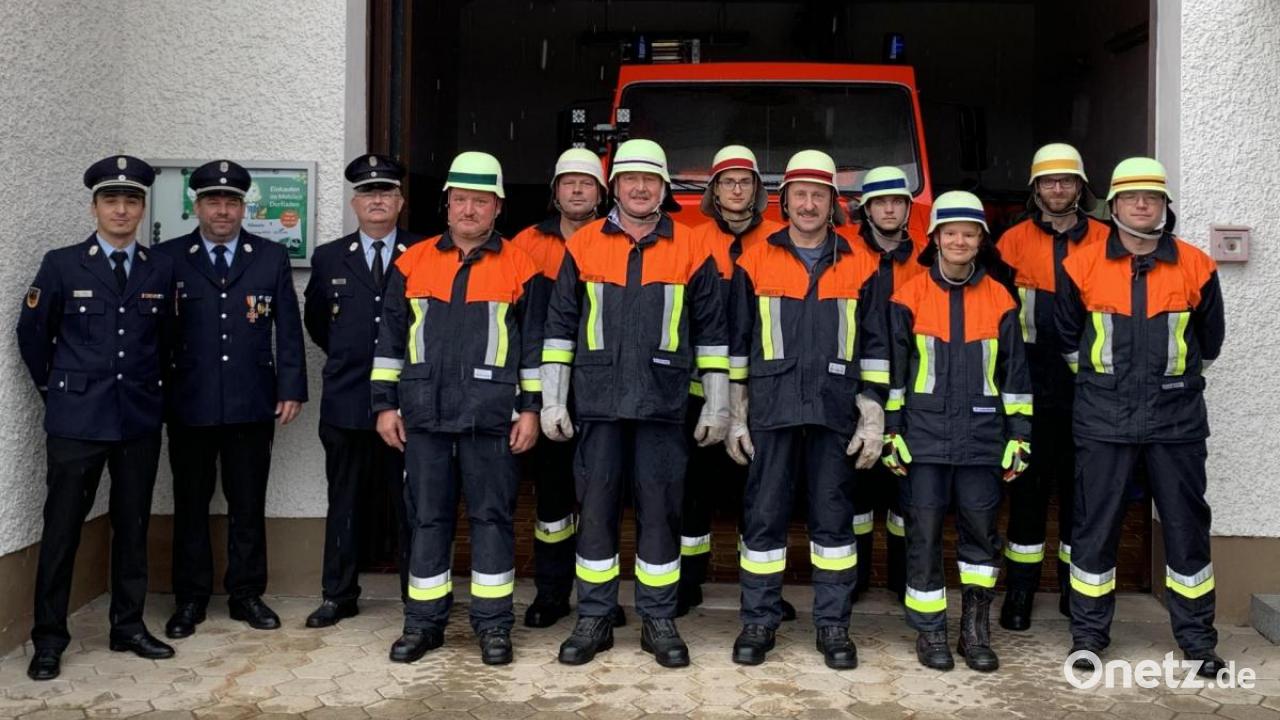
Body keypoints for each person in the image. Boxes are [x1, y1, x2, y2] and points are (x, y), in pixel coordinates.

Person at [541, 138, 729, 668]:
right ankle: (594, 617)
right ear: (615, 188)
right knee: (596, 513)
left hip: (663, 405)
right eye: (630, 179)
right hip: (598, 404)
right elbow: (559, 327)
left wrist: (717, 404)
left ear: (664, 188)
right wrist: (553, 400)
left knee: (661, 514)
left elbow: (712, 334)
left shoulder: (692, 247)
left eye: (649, 180)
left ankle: (658, 619)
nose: (640, 188)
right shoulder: (584, 246)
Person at [372, 152, 545, 665]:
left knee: (492, 519)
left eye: (481, 201)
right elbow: (389, 343)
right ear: (446, 204)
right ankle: (423, 624)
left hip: (492, 417)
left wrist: (531, 409)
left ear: (498, 207)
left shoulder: (521, 265)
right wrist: (384, 405)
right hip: (423, 414)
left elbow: (533, 348)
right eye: (461, 200)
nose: (470, 210)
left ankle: (493, 626)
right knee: (428, 519)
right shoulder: (413, 261)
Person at [1056, 157, 1226, 677]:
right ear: (1113, 205)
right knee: (1094, 529)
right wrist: (1106, 387)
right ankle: (1088, 638)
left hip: (1176, 423)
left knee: (1186, 530)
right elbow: (1069, 341)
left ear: (1165, 206)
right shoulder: (1081, 265)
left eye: (1151, 197)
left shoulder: (1197, 265)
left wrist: (1167, 385)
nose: (1142, 205)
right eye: (1131, 197)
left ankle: (1198, 643)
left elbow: (1209, 345)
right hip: (1103, 421)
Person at [17, 156, 176, 680]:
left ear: (142, 208)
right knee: (62, 530)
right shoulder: (62, 265)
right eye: (111, 200)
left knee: (132, 526)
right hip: (77, 421)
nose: (121, 209)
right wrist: (56, 391)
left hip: (137, 419)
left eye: (131, 200)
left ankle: (127, 625)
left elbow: (168, 342)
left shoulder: (159, 268)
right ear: (94, 207)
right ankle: (48, 638)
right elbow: (32, 335)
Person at [726, 149, 887, 669]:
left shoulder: (862, 262)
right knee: (763, 520)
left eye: (819, 195)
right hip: (771, 408)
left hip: (834, 408)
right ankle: (758, 621)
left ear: (832, 202)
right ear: (785, 201)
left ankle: (833, 626)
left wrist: (873, 411)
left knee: (834, 523)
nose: (809, 204)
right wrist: (734, 409)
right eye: (801, 195)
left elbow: (876, 345)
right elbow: (738, 342)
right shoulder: (754, 260)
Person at [155, 159, 307, 638]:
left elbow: (288, 326)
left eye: (231, 202)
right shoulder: (169, 257)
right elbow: (153, 332)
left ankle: (246, 594)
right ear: (196, 206)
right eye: (213, 201)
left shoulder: (269, 256)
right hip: (189, 402)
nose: (222, 211)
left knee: (248, 503)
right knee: (190, 504)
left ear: (244, 207)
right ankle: (190, 598)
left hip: (251, 401)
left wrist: (291, 387)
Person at [884, 191, 1032, 672]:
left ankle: (974, 631)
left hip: (983, 439)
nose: (960, 241)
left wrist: (1020, 436)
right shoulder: (907, 297)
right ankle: (930, 632)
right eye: (951, 233)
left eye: (969, 234)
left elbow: (1014, 377)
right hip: (923, 440)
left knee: (981, 539)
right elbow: (895, 374)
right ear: (935, 239)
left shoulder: (1001, 298)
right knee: (923, 537)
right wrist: (891, 431)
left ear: (981, 240)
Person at [302, 154, 424, 627]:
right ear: (354, 202)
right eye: (368, 192)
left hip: (408, 403)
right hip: (348, 401)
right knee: (345, 501)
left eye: (386, 192)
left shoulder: (424, 251)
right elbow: (319, 324)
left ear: (401, 201)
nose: (377, 200)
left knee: (411, 505)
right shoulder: (329, 257)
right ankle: (338, 595)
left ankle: (418, 595)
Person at [996, 143, 1109, 630]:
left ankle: (1071, 590)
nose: (1057, 188)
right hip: (1030, 385)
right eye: (1048, 181)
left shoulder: (1107, 240)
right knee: (1026, 493)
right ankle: (1019, 593)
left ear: (1081, 186)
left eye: (1066, 180)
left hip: (1090, 387)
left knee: (1082, 494)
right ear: (1035, 188)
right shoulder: (1010, 242)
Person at [510, 148, 623, 630]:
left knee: (602, 496)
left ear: (601, 193)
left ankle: (602, 597)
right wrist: (529, 397)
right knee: (553, 499)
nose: (577, 190)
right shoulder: (526, 244)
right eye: (568, 182)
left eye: (587, 183)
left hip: (602, 390)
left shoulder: (619, 240)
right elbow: (515, 325)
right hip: (547, 389)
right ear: (555, 192)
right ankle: (552, 592)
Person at [681, 145, 786, 618]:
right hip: (700, 387)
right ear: (714, 191)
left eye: (745, 181)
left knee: (758, 496)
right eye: (728, 182)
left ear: (758, 190)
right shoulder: (692, 241)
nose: (737, 189)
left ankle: (758, 590)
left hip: (759, 391)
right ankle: (687, 582)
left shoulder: (781, 240)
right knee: (693, 492)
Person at [844, 166, 928, 604]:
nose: (890, 209)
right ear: (867, 209)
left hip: (914, 390)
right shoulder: (844, 252)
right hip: (857, 389)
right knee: (855, 490)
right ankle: (854, 581)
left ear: (908, 208)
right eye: (881, 203)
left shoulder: (929, 257)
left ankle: (902, 579)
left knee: (906, 492)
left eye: (897, 202)